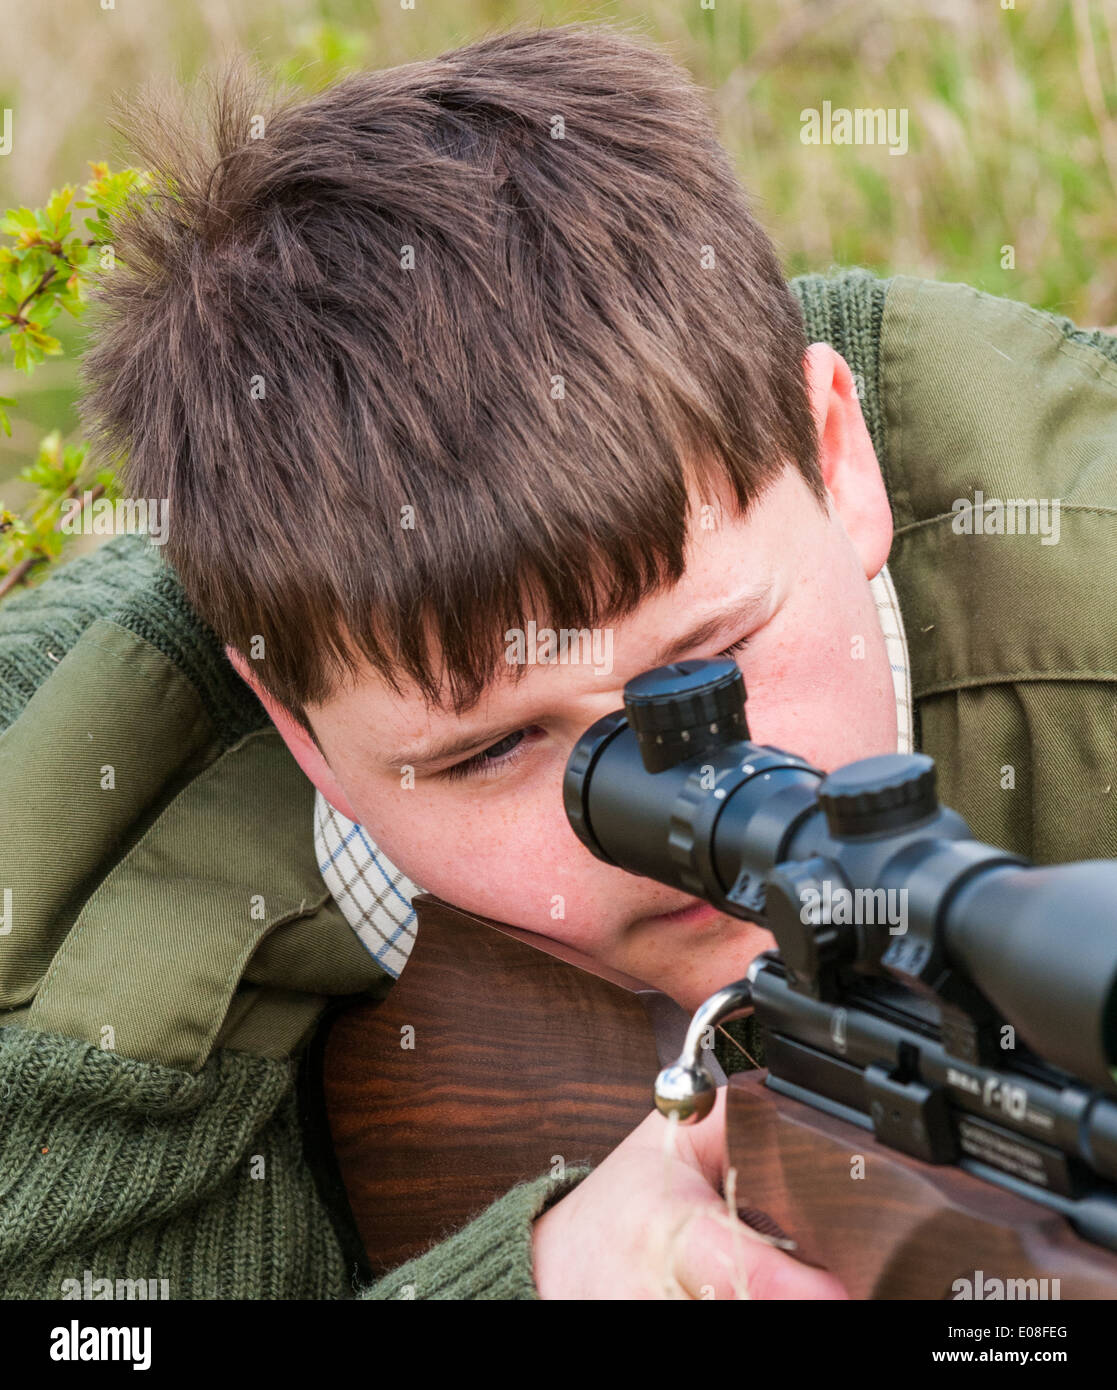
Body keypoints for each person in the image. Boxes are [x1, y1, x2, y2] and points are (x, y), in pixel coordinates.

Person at [1, 22, 1114, 1301]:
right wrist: (537, 1278)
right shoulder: (57, 866)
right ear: (297, 726)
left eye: (711, 655)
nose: (676, 817)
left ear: (835, 453)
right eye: (490, 750)